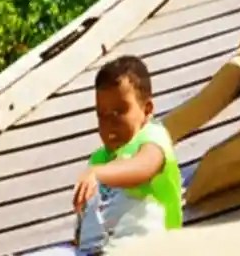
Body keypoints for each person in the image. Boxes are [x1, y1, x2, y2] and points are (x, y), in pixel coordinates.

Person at [71, 56, 182, 254]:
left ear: (147, 109)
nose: (109, 123)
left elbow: (144, 166)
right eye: (102, 115)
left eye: (119, 112)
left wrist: (98, 174)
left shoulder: (152, 137)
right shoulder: (99, 159)